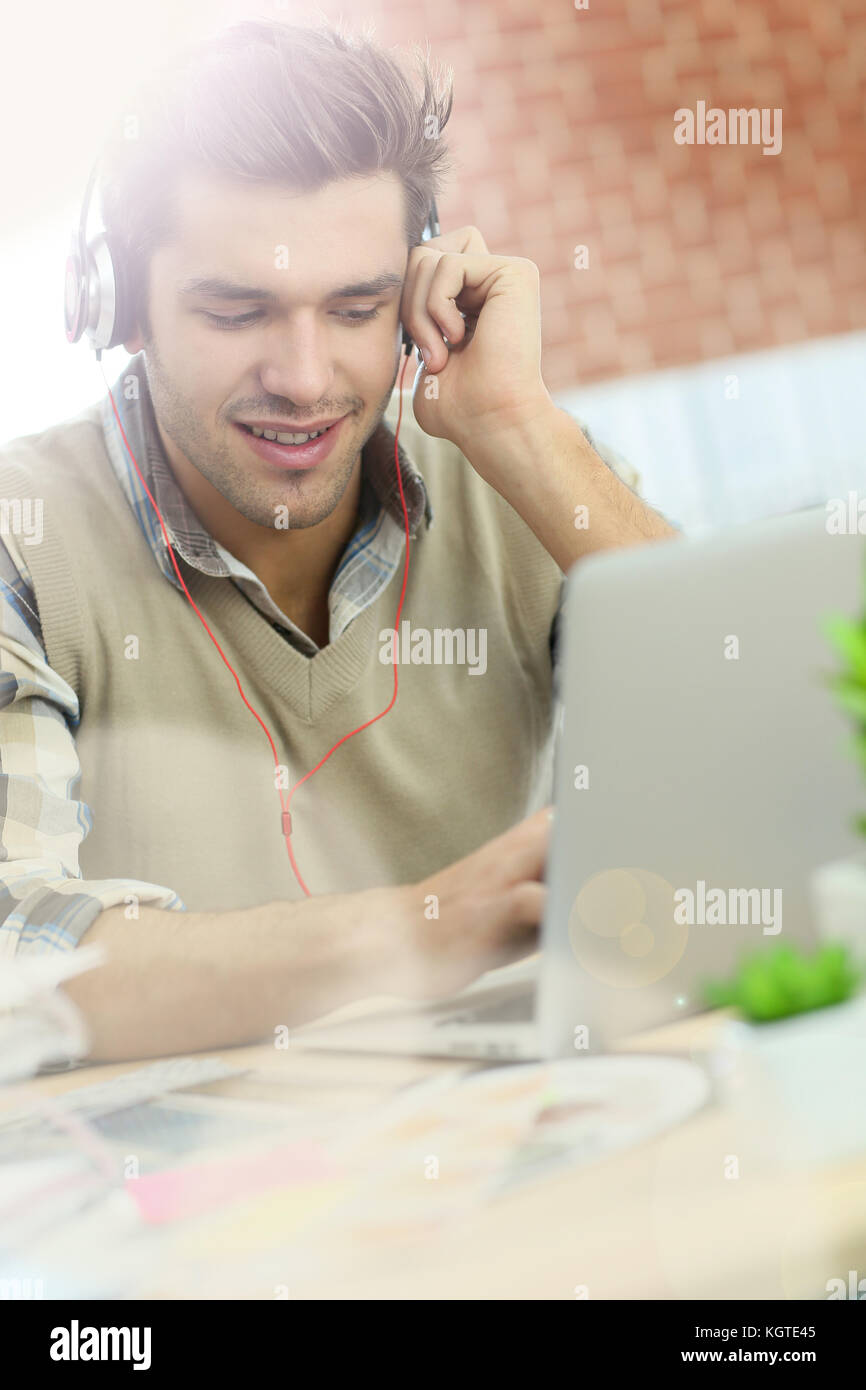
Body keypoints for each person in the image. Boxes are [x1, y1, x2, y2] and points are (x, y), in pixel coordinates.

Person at [0, 20, 675, 1061]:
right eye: (237, 311)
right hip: (172, 1199)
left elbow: (790, 728)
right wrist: (425, 928)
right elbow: (22, 966)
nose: (306, 378)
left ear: (412, 308)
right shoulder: (23, 537)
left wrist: (523, 432)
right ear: (117, 307)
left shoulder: (521, 478)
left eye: (356, 307)